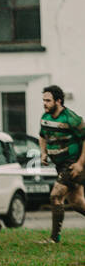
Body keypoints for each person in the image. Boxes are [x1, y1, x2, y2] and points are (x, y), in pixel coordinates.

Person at [38, 84, 85, 245]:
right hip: (60, 165)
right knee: (77, 203)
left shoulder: (71, 118)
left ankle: (54, 238)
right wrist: (43, 152)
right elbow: (42, 136)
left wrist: (80, 163)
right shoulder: (45, 117)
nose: (44, 103)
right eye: (43, 100)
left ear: (58, 101)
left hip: (73, 164)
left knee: (55, 196)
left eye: (48, 100)